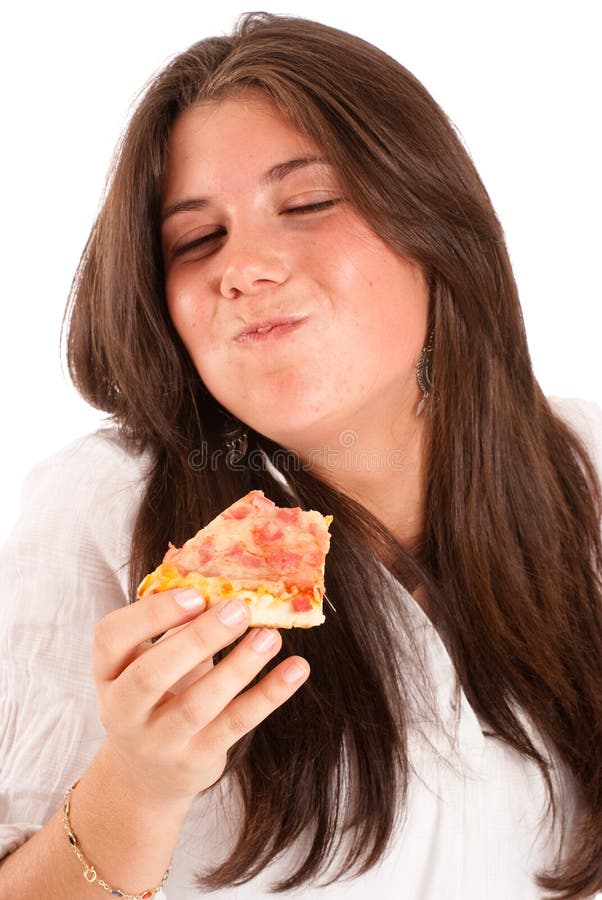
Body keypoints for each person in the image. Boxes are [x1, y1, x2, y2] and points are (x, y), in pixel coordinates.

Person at [0, 12, 600, 900]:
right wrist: (140, 783)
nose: (242, 268)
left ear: (436, 226)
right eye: (196, 240)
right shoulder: (102, 508)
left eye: (309, 202)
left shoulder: (583, 466)